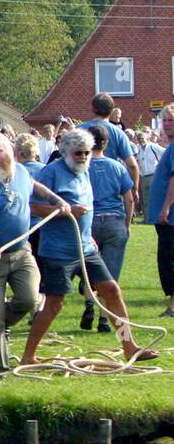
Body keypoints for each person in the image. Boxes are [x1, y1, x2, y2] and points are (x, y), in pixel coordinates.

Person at [23, 129, 157, 366]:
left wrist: (89, 235)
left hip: (86, 247)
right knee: (54, 304)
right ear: (65, 152)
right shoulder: (51, 173)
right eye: (79, 153)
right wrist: (62, 211)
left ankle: (129, 346)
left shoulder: (84, 172)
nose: (84, 157)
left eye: (87, 152)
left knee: (112, 290)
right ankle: (29, 355)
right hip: (58, 252)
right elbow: (32, 207)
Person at [0, 133, 69, 378]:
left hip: (22, 253)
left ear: (9, 152)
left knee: (29, 299)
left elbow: (35, 187)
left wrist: (57, 200)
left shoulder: (21, 172)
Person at [82, 124, 133, 333]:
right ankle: (104, 319)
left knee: (88, 269)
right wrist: (127, 224)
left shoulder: (82, 167)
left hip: (90, 220)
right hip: (114, 220)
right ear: (106, 143)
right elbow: (128, 198)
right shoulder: (117, 167)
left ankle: (89, 305)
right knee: (109, 273)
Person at [79, 93, 139, 208]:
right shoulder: (118, 133)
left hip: (82, 186)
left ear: (93, 109)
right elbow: (132, 165)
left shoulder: (79, 130)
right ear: (111, 110)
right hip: (109, 185)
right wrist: (134, 189)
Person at [149, 105, 174, 317]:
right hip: (168, 216)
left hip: (171, 217)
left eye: (171, 120)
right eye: (164, 120)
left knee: (169, 259)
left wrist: (165, 208)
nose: (166, 124)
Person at [137, 130, 165, 221]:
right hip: (144, 176)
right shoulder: (138, 149)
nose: (141, 140)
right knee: (145, 199)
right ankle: (147, 219)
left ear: (147, 138)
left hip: (154, 175)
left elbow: (165, 153)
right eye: (139, 139)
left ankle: (155, 218)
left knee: (154, 197)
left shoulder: (153, 146)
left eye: (142, 138)